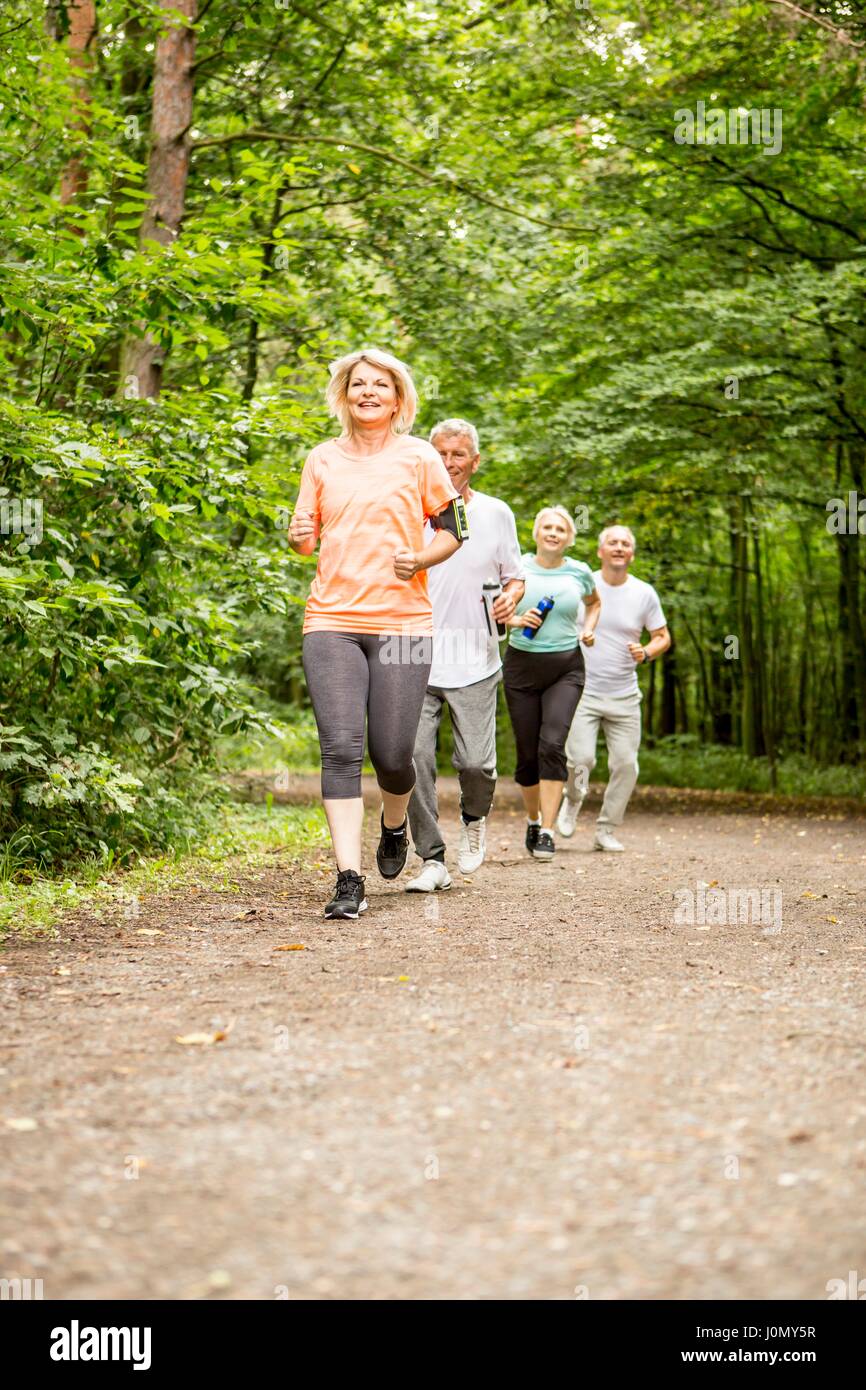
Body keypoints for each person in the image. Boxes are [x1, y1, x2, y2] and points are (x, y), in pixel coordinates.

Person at [288, 349, 468, 920]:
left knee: (392, 755)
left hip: (402, 624)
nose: (368, 392)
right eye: (358, 384)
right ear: (344, 395)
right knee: (340, 749)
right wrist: (296, 534)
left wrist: (419, 558)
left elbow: (453, 529)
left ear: (398, 398)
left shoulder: (418, 458)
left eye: (380, 385)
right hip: (332, 622)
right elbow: (305, 539)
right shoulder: (321, 459)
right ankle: (348, 878)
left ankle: (395, 824)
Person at [405, 419, 524, 892]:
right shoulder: (407, 511)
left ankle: (474, 818)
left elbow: (515, 576)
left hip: (475, 656)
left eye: (459, 455)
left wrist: (512, 596)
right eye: (441, 454)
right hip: (408, 652)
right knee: (410, 757)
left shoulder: (496, 513)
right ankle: (431, 858)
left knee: (476, 764)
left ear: (475, 462)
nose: (449, 463)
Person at [556, 524, 670, 851]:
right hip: (584, 691)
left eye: (625, 544)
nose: (619, 547)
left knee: (626, 764)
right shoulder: (582, 586)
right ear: (600, 551)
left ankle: (606, 829)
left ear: (631, 554)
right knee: (581, 759)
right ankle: (573, 800)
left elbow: (663, 636)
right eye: (613, 542)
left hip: (624, 695)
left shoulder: (644, 593)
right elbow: (562, 627)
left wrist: (646, 651)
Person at [502, 506, 601, 861]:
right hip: (521, 667)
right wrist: (514, 620)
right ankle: (532, 820)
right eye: (547, 526)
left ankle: (547, 830)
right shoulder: (517, 568)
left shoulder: (580, 572)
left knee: (552, 744)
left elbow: (594, 603)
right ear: (536, 532)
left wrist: (588, 628)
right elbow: (494, 610)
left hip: (566, 668)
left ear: (569, 537)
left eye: (561, 528)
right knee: (527, 753)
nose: (554, 532)